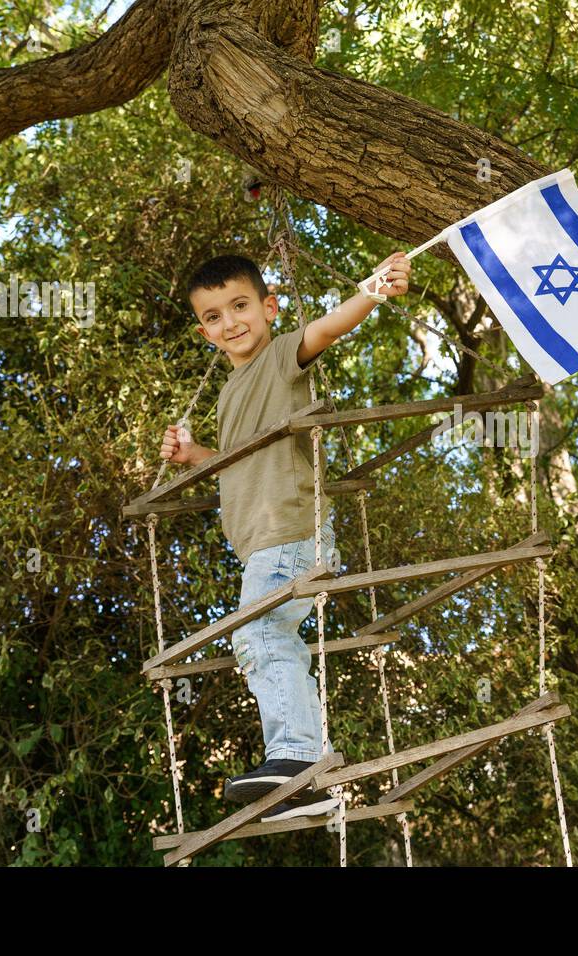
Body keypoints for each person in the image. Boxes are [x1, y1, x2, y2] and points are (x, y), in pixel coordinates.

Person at [160, 250, 410, 820]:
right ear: (204, 332)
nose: (231, 322)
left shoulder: (277, 359)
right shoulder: (229, 394)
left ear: (269, 308)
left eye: (241, 306)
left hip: (291, 532)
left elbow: (325, 328)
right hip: (265, 544)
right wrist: (191, 455)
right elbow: (234, 462)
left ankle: (299, 757)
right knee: (263, 639)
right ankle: (303, 781)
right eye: (215, 316)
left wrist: (372, 291)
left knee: (263, 636)